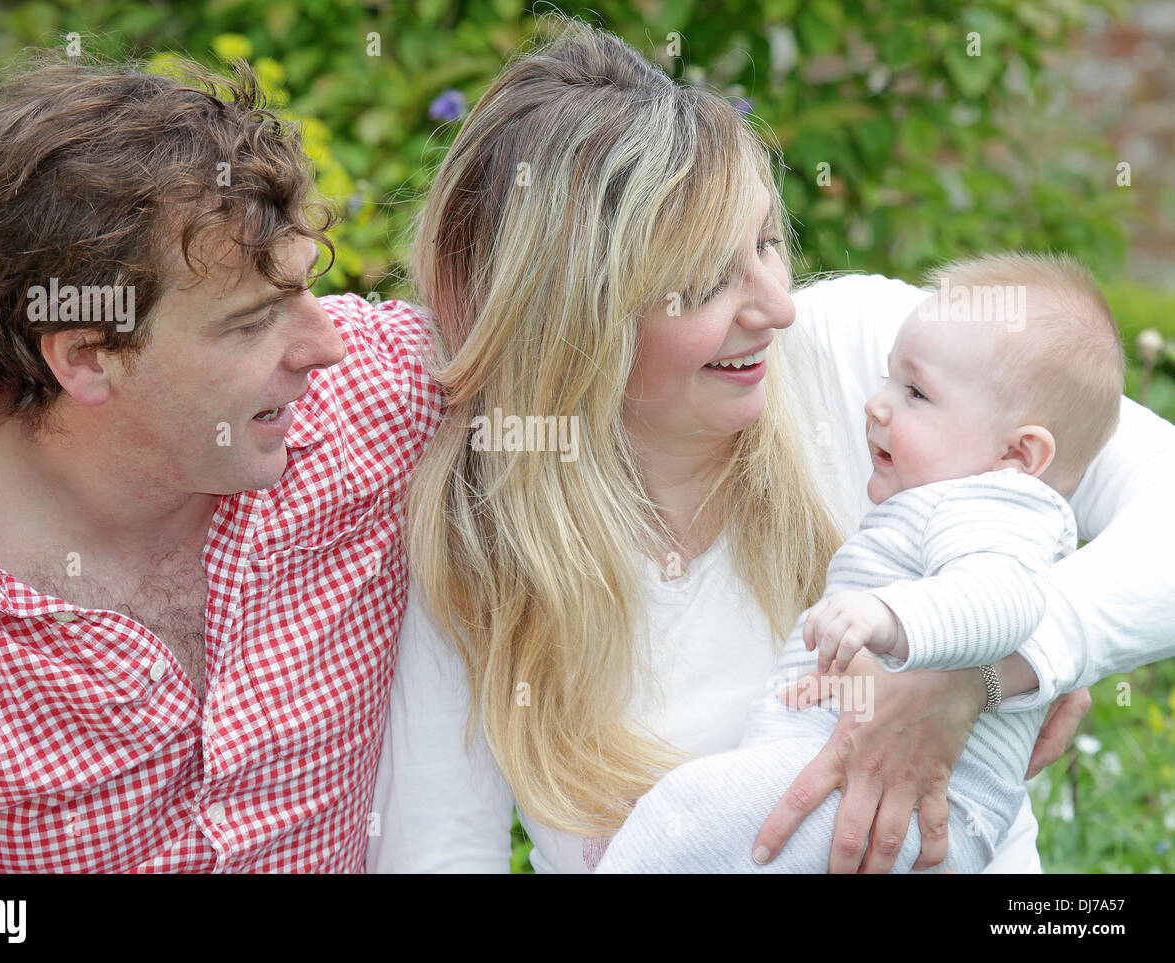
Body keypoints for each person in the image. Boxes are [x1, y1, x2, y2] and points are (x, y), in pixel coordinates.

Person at [366, 18, 1175, 874]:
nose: (776, 307)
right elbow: (437, 848)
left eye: (766, 244)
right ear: (576, 318)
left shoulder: (873, 360)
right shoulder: (481, 540)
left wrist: (983, 672)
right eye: (711, 280)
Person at [0, 53, 440, 871]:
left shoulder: (371, 401)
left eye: (305, 289)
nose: (325, 346)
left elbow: (615, 342)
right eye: (253, 322)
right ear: (88, 357)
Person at [595, 252, 1120, 873]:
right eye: (889, 380)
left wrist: (888, 616)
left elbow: (1003, 598)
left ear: (1017, 454)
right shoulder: (951, 498)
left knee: (680, 817)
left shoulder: (997, 503)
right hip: (869, 791)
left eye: (917, 393)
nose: (876, 405)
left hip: (911, 803)